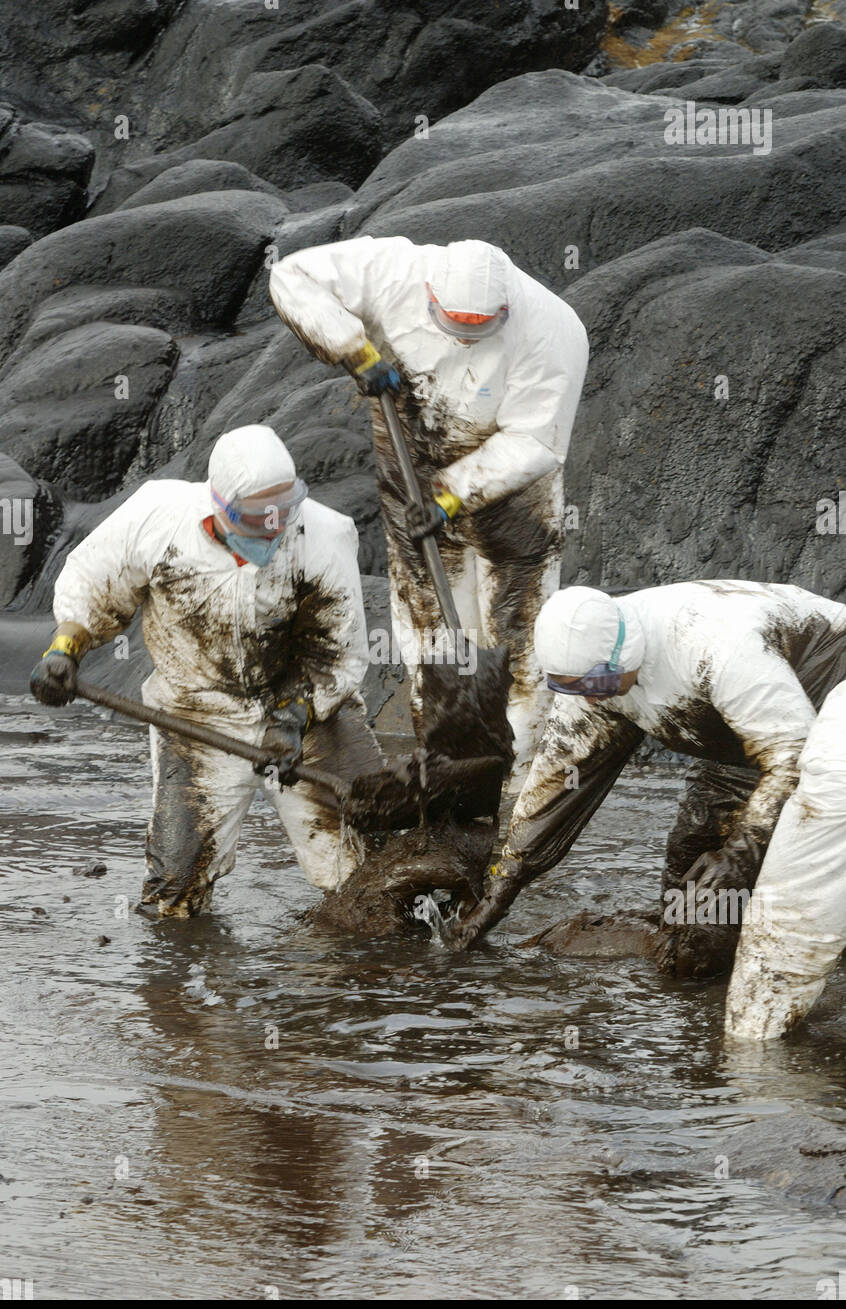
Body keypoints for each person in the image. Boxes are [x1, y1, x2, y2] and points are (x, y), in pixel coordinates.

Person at [446, 581, 846, 1039]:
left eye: (598, 684)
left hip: (823, 720)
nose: (592, 697)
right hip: (740, 747)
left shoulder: (714, 645)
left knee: (794, 875)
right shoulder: (591, 681)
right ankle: (700, 1002)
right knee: (691, 857)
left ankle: (777, 1016)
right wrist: (499, 892)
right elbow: (552, 793)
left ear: (627, 655)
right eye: (571, 688)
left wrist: (742, 853)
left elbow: (791, 755)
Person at [269, 235, 589, 787]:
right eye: (453, 324)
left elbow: (537, 440)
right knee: (427, 621)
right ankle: (436, 752)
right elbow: (290, 277)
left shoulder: (554, 328)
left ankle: (510, 774)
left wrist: (454, 495)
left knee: (515, 628)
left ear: (506, 309)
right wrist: (355, 350)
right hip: (410, 465)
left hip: (508, 486)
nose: (465, 338)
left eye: (478, 329)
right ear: (429, 294)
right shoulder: (390, 268)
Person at [30, 425, 382, 917]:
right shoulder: (158, 518)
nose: (274, 528)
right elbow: (92, 582)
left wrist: (294, 715)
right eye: (259, 518)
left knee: (368, 874)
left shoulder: (323, 536)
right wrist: (65, 650)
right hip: (195, 715)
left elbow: (336, 651)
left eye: (283, 512)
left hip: (309, 714)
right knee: (175, 894)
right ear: (222, 506)